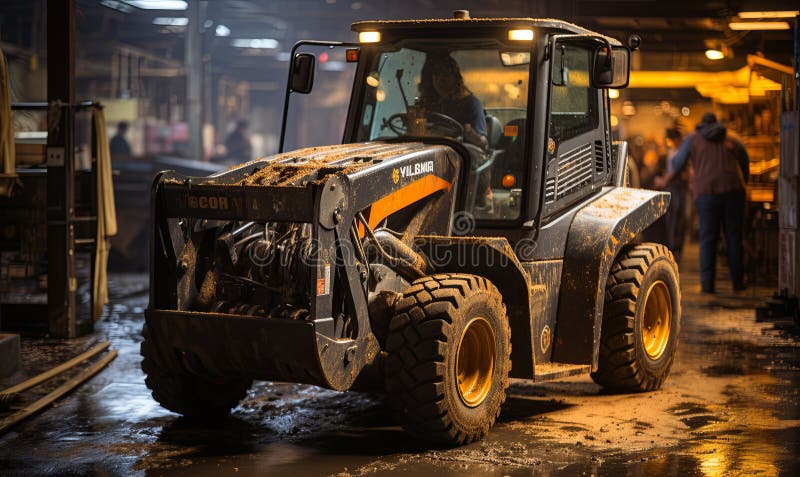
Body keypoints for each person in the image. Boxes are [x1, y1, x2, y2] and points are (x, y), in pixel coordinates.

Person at [656, 112, 749, 293]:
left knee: (708, 239)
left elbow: (677, 163)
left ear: (701, 125)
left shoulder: (693, 140)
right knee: (734, 237)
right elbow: (744, 161)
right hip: (733, 191)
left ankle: (708, 285)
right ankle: (737, 282)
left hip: (706, 193)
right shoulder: (732, 138)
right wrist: (743, 182)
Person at [418, 54, 487, 149]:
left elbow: (483, 143)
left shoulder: (471, 104)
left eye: (446, 75)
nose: (440, 80)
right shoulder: (430, 105)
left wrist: (470, 133)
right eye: (436, 75)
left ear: (455, 78)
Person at [662, 127, 689, 262]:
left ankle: (675, 248)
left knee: (678, 218)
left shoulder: (681, 153)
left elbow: (677, 171)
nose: (669, 143)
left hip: (678, 188)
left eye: (671, 140)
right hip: (671, 187)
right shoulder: (671, 152)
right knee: (671, 217)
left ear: (677, 140)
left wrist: (665, 179)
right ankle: (671, 247)